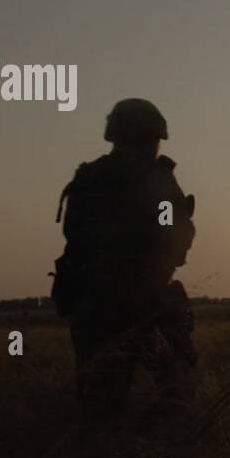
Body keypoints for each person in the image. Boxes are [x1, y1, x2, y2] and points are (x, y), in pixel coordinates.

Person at [51, 98, 197, 434]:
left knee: (99, 406)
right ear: (149, 138)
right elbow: (177, 237)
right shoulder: (157, 179)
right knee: (175, 394)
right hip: (146, 302)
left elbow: (74, 235)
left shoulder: (89, 177)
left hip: (95, 303)